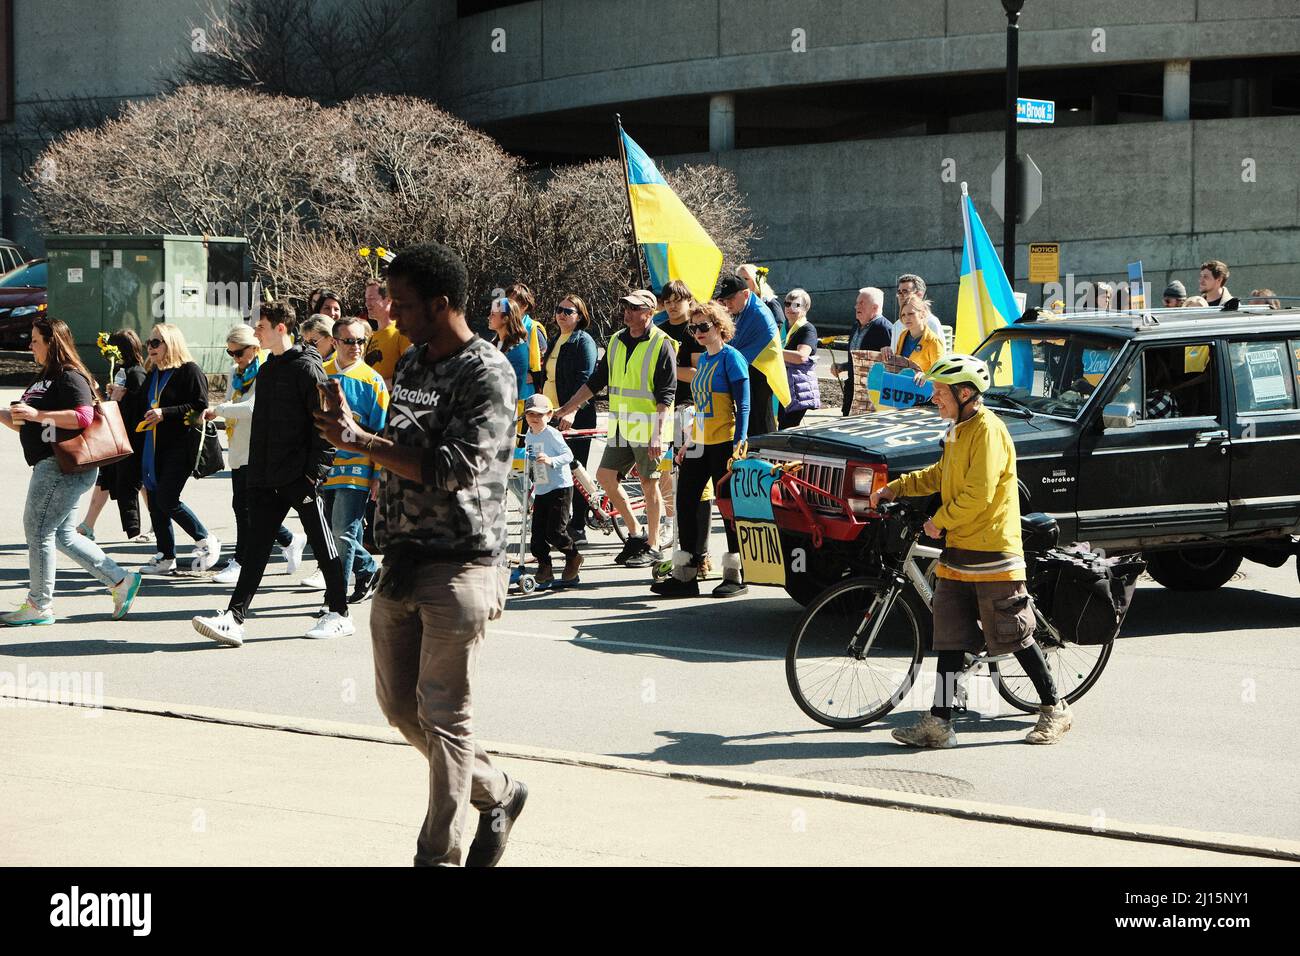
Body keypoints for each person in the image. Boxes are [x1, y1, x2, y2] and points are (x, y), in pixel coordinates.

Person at [313, 242, 527, 868]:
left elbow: (455, 467)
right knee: (401, 710)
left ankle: (437, 855)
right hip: (402, 560)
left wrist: (366, 443)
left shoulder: (486, 371)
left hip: (462, 562)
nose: (393, 316)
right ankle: (500, 792)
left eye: (403, 306)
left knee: (445, 714)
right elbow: (398, 444)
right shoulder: (409, 363)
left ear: (440, 304)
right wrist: (351, 428)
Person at [870, 354, 1071, 748]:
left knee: (1014, 635)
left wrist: (940, 521)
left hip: (993, 550)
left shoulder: (988, 431)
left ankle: (1055, 709)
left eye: (940, 391)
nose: (933, 398)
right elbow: (940, 474)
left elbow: (978, 493)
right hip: (959, 551)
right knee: (949, 639)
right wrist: (898, 486)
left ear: (965, 393)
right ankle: (939, 725)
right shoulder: (957, 430)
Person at [189, 301, 353, 647]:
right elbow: (261, 428)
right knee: (257, 548)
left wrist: (313, 475)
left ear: (281, 328)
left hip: (300, 476)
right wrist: (255, 477)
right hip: (267, 477)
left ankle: (339, 613)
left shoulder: (309, 369)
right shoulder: (267, 370)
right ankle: (234, 618)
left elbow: (325, 428)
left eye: (260, 326)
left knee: (324, 545)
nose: (255, 333)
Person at [0, 318, 142, 626]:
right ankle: (121, 580)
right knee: (62, 535)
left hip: (61, 465)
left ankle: (39, 605)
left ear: (52, 343)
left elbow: (83, 416)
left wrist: (37, 413)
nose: (30, 345)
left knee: (37, 529)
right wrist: (15, 415)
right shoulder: (45, 378)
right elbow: (25, 422)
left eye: (35, 340)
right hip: (53, 464)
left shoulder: (70, 376)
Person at [556, 289, 675, 568]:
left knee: (649, 484)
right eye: (626, 306)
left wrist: (658, 433)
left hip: (648, 426)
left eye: (634, 308)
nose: (627, 311)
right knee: (605, 476)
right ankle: (635, 534)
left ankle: (654, 544)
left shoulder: (662, 344)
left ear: (649, 312)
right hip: (622, 425)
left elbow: (666, 395)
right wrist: (568, 408)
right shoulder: (617, 341)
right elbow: (596, 382)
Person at [651, 300, 750, 599]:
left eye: (704, 327)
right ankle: (687, 573)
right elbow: (701, 407)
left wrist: (740, 443)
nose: (698, 333)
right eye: (694, 328)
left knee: (728, 507)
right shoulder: (704, 361)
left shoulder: (732, 358)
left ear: (720, 326)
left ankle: (736, 573)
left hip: (725, 443)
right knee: (686, 501)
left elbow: (743, 404)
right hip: (702, 441)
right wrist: (690, 441)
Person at [203, 324, 307, 585]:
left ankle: (241, 561)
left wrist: (220, 409)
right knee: (247, 506)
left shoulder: (265, 370)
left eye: (238, 353)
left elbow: (252, 408)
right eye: (230, 354)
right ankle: (289, 539)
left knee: (246, 507)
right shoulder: (235, 372)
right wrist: (224, 409)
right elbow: (232, 402)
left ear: (254, 348)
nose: (235, 359)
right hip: (237, 444)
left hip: (259, 446)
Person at [138, 323, 222, 575]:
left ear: (170, 343)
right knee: (154, 499)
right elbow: (140, 402)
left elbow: (200, 406)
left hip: (182, 445)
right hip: (154, 445)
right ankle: (165, 555)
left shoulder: (189, 371)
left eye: (156, 343)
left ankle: (206, 539)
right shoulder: (154, 373)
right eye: (149, 343)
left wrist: (165, 413)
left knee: (167, 498)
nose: (150, 348)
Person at [320, 315, 388, 602]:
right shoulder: (320, 373)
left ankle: (334, 598)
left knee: (343, 530)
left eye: (361, 340)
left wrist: (378, 474)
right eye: (349, 341)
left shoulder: (372, 381)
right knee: (330, 533)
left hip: (358, 466)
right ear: (335, 342)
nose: (356, 346)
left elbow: (383, 430)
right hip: (324, 465)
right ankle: (369, 568)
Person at [653, 279, 711, 565]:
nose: (673, 305)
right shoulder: (660, 331)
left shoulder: (696, 331)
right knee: (662, 470)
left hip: (690, 408)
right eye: (668, 300)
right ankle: (669, 523)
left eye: (678, 300)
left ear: (689, 301)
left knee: (691, 476)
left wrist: (668, 371)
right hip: (663, 409)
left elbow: (699, 372)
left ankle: (700, 549)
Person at [538, 292, 598, 544]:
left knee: (576, 470)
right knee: (553, 471)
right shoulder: (555, 340)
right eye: (559, 309)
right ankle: (555, 526)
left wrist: (572, 410)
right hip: (551, 414)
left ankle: (579, 525)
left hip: (577, 416)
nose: (561, 314)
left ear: (580, 316)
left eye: (568, 311)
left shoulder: (583, 341)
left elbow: (588, 379)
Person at [78, 329, 147, 541]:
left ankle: (157, 524)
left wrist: (123, 396)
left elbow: (138, 408)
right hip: (114, 434)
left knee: (138, 481)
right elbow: (112, 404)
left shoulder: (136, 373)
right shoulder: (120, 371)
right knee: (107, 478)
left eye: (113, 349)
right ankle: (87, 525)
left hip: (130, 437)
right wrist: (102, 392)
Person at [522, 394, 582, 587]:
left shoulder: (552, 434)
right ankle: (544, 567)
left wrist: (551, 461)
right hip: (541, 488)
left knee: (555, 532)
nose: (534, 418)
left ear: (549, 415)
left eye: (539, 414)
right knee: (537, 534)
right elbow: (531, 456)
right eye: (530, 414)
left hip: (560, 487)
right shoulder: (529, 434)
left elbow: (568, 455)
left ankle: (573, 556)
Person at [716, 270, 782, 436]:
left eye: (731, 298)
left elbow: (737, 347)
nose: (727, 303)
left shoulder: (758, 313)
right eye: (725, 299)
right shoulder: (743, 309)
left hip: (760, 374)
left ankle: (761, 455)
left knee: (760, 422)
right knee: (750, 420)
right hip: (748, 370)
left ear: (745, 294)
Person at [833, 287, 893, 415]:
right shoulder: (856, 325)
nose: (856, 307)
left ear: (875, 308)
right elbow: (858, 360)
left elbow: (890, 365)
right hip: (852, 392)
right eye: (857, 303)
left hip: (870, 397)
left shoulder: (884, 329)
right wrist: (842, 366)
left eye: (862, 303)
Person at [779, 287, 820, 429]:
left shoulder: (807, 329)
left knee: (786, 429)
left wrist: (774, 352)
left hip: (798, 390)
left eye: (796, 305)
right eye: (787, 303)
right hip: (783, 386)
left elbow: (801, 357)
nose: (790, 308)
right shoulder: (782, 328)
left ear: (805, 308)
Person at [363, 279, 411, 391]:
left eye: (372, 299)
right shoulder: (371, 337)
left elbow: (411, 375)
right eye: (366, 299)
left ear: (389, 300)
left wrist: (377, 387)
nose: (367, 304)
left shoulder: (402, 332)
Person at [505, 281, 547, 397]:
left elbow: (546, 362)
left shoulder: (533, 329)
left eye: (513, 303)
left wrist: (533, 376)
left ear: (524, 306)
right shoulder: (502, 327)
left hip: (527, 396)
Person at [881, 295, 944, 373]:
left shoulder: (934, 341)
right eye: (903, 315)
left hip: (923, 385)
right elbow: (898, 364)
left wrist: (924, 376)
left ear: (922, 314)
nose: (907, 318)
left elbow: (940, 374)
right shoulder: (903, 335)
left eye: (911, 313)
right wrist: (888, 352)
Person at [488, 296, 532, 401]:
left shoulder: (518, 349)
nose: (489, 317)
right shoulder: (495, 343)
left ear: (505, 319)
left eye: (493, 314)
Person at [895, 274, 946, 342]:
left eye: (905, 292)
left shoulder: (932, 323)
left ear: (919, 295)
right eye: (899, 292)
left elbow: (940, 352)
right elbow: (895, 351)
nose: (901, 296)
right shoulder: (897, 325)